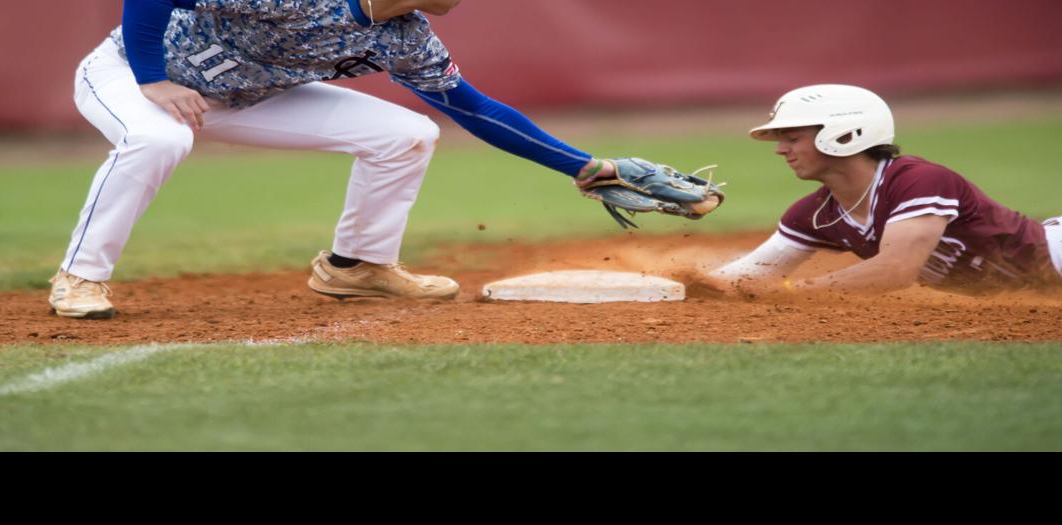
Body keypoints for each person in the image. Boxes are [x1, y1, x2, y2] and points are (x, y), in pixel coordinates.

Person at [49, 0, 632, 319]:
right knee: (160, 141)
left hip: (239, 97)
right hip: (131, 75)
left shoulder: (406, 38)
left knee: (406, 133)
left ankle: (358, 268)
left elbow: (474, 109)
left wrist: (584, 167)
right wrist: (151, 78)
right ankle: (79, 278)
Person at [698, 84, 1062, 302]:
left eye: (793, 136)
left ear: (843, 134)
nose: (781, 148)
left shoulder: (916, 180)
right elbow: (749, 277)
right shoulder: (815, 214)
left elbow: (893, 271)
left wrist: (791, 295)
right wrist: (693, 287)